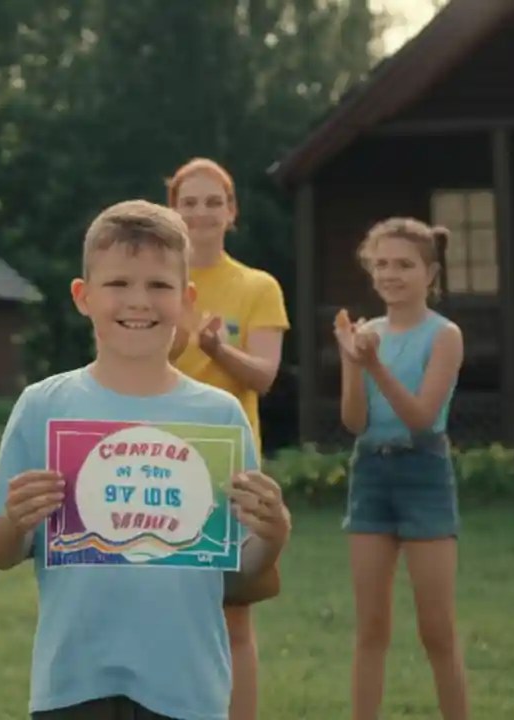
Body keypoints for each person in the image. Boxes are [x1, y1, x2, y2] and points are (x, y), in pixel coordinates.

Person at [0, 199, 292, 720]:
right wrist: (14, 521)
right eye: (119, 284)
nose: (138, 301)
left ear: (186, 298)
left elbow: (235, 577)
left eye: (159, 286)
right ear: (84, 296)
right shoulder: (44, 406)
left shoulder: (219, 416)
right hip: (72, 681)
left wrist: (273, 538)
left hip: (187, 685)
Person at [166, 158, 289, 720]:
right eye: (189, 202)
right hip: (160, 464)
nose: (200, 212)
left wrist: (216, 348)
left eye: (213, 202)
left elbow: (264, 376)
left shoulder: (258, 286)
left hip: (232, 472)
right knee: (160, 614)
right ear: (173, 210)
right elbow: (136, 363)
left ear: (232, 212)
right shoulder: (159, 282)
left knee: (234, 618)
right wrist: (180, 335)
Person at [333, 217, 468, 720]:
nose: (391, 274)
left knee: (436, 630)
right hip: (370, 473)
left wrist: (373, 366)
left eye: (404, 265)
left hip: (424, 474)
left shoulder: (445, 335)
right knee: (371, 628)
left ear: (429, 273)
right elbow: (354, 421)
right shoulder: (368, 334)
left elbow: (421, 418)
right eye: (381, 264)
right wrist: (350, 361)